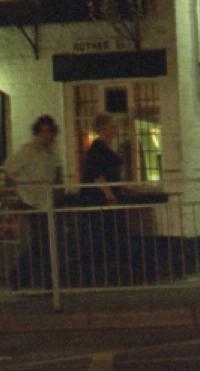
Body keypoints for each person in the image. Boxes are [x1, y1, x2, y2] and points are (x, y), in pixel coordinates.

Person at [3, 114, 59, 288]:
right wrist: (25, 184)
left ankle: (33, 280)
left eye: (49, 131)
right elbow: (9, 168)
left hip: (44, 200)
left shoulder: (49, 152)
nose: (46, 135)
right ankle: (21, 278)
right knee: (41, 242)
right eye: (42, 131)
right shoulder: (28, 150)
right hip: (32, 201)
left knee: (43, 242)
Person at [79, 113, 127, 284]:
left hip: (107, 196)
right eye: (112, 126)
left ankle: (109, 273)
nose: (115, 130)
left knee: (110, 235)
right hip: (99, 199)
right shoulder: (98, 148)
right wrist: (109, 194)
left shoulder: (105, 147)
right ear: (102, 129)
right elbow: (97, 174)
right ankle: (104, 274)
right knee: (104, 235)